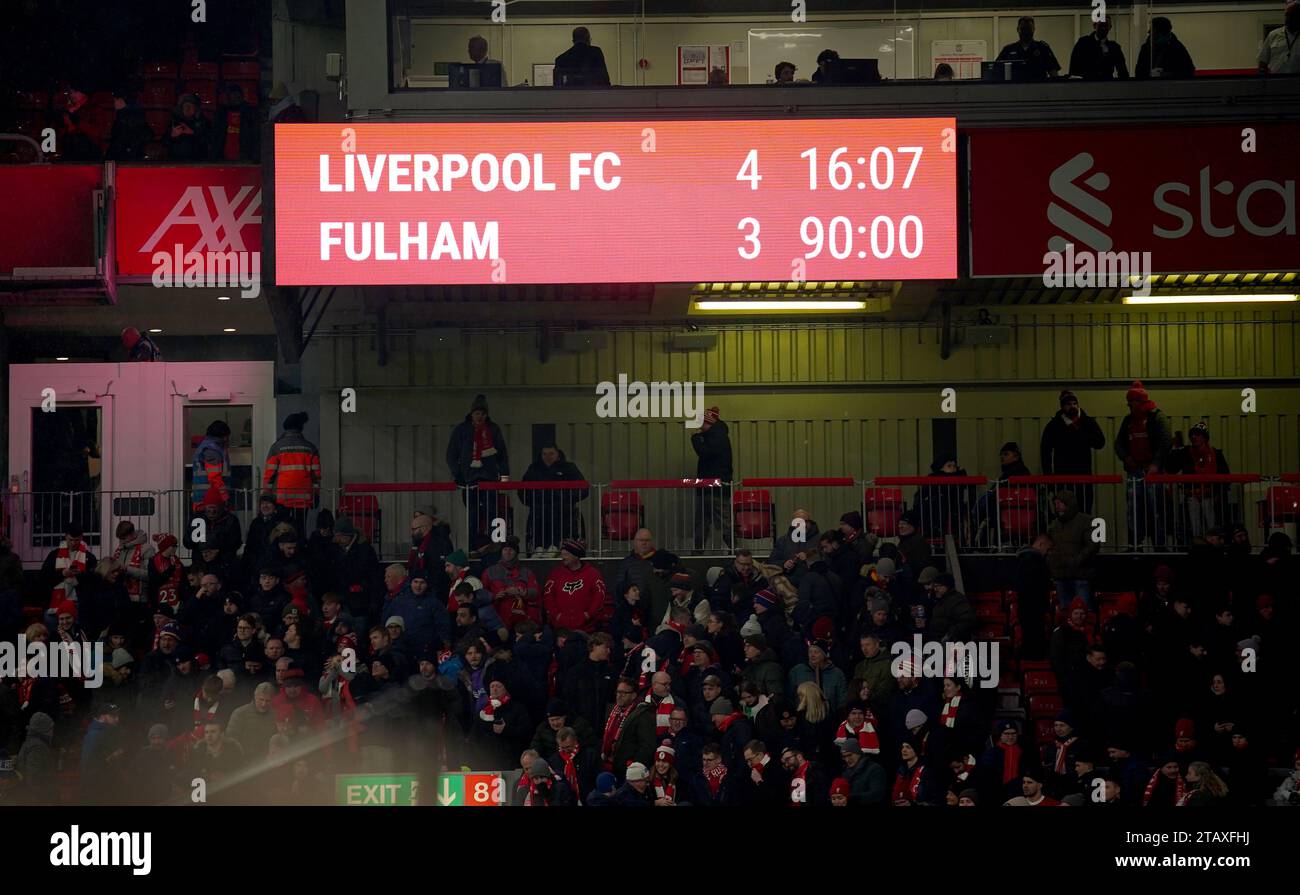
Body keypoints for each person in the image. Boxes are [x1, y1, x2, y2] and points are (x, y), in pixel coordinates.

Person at [446, 394, 510, 543]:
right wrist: (458, 475)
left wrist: (505, 477)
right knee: (472, 515)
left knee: (493, 514)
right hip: (469, 480)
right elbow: (451, 455)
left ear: (486, 415)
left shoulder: (493, 429)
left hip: (490, 478)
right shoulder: (462, 430)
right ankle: (473, 545)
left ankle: (495, 544)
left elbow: (502, 453)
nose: (480, 416)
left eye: (483, 413)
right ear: (472, 414)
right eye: (477, 413)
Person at [1116, 380, 1171, 549]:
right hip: (1135, 470)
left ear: (1140, 402)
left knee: (1156, 509)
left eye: (1131, 403)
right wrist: (1126, 458)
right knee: (1134, 510)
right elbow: (1118, 443)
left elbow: (1165, 441)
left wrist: (1155, 464)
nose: (1129, 407)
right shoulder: (1128, 420)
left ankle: (1159, 544)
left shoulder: (1156, 417)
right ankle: (1136, 544)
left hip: (1152, 471)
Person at [1039, 389, 1107, 513]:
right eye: (1068, 404)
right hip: (1062, 477)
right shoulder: (1054, 426)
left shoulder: (1087, 422)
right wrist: (1049, 478)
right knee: (1064, 512)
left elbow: (1100, 442)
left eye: (1074, 404)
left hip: (1084, 476)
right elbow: (1045, 453)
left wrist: (1082, 435)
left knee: (1084, 510)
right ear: (1062, 407)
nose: (1072, 406)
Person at [520, 444, 587, 557]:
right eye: (544, 454)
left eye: (551, 453)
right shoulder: (533, 468)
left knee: (561, 519)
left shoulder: (569, 468)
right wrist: (531, 501)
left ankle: (557, 547)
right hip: (539, 509)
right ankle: (538, 548)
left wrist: (566, 499)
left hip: (563, 509)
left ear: (557, 454)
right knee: (537, 522)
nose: (548, 457)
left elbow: (583, 488)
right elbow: (523, 489)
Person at [263, 412, 321, 527]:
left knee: (282, 529)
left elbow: (269, 475)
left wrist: (266, 495)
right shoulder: (310, 448)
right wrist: (316, 495)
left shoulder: (277, 447)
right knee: (300, 529)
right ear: (301, 428)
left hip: (281, 498)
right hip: (303, 499)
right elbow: (316, 476)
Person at [1047, 491, 1098, 611]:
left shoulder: (1087, 521)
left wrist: (1076, 561)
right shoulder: (1054, 525)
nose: (1057, 506)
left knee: (1084, 612)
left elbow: (1093, 546)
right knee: (1065, 613)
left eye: (1060, 503)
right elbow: (1051, 546)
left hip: (1080, 576)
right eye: (1055, 504)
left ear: (1068, 503)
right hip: (1061, 577)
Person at [1179, 421, 1231, 539]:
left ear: (1205, 437)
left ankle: (1213, 543)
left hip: (1211, 495)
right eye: (1192, 435)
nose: (1194, 437)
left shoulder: (1216, 454)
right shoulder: (1186, 453)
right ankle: (1198, 544)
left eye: (1197, 434)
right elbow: (1174, 468)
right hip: (1193, 494)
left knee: (1211, 520)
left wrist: (1217, 493)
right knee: (1195, 521)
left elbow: (1225, 476)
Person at [691, 406, 733, 552]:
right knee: (718, 520)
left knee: (710, 521)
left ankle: (699, 551)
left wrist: (695, 438)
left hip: (713, 488)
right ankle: (732, 549)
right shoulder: (719, 435)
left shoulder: (716, 437)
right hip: (715, 487)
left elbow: (704, 453)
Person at [543, 539, 607, 633]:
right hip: (560, 630)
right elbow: (548, 596)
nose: (563, 557)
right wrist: (557, 615)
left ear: (576, 556)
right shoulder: (555, 574)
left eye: (566, 554)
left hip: (587, 628)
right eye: (562, 554)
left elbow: (600, 596)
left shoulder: (593, 574)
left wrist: (588, 615)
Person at [994, 16, 1061, 79]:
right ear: (1018, 30)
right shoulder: (1008, 50)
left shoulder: (1043, 48)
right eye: (1023, 29)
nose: (1026, 32)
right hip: (1014, 89)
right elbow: (996, 71)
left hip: (1038, 89)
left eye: (1029, 28)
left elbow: (1053, 73)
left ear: (1034, 29)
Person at [212, 82, 259, 162]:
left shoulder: (250, 112)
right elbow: (216, 135)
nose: (236, 97)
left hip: (245, 157)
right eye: (233, 94)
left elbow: (254, 135)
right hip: (223, 157)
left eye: (237, 94)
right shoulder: (221, 113)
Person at [191, 420, 231, 511]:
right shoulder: (212, 450)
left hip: (202, 499)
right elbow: (215, 477)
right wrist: (225, 497)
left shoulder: (204, 447)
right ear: (224, 436)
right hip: (211, 500)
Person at [838, 738, 888, 805]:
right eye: (844, 756)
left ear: (859, 753)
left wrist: (850, 798)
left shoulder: (875, 769)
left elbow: (877, 794)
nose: (847, 760)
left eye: (850, 755)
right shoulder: (845, 771)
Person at [165, 92, 212, 160]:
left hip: (198, 162)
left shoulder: (204, 122)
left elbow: (210, 142)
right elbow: (164, 143)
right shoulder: (175, 122)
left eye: (190, 106)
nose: (187, 108)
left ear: (196, 108)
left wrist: (193, 133)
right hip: (176, 162)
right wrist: (172, 135)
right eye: (185, 106)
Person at [1259, 3, 1300, 75]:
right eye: (1287, 15)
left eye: (1293, 15)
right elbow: (1263, 62)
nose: (1288, 18)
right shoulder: (1273, 35)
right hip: (1276, 82)